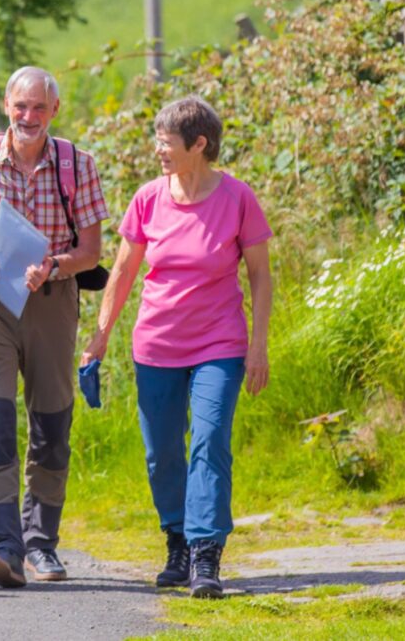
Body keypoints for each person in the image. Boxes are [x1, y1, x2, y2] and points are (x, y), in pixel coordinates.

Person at [83, 94, 272, 600]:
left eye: (166, 143)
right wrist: (101, 334)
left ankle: (206, 551)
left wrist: (258, 346)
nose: (159, 150)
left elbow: (260, 275)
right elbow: (123, 271)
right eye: (158, 140)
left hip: (219, 343)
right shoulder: (148, 198)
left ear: (199, 144)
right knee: (161, 451)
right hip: (157, 344)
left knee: (210, 441)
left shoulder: (237, 198)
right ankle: (177, 542)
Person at [0, 66, 107, 589]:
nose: (28, 117)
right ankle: (3, 547)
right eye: (20, 106)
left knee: (51, 424)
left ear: (54, 110)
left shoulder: (77, 164)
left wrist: (54, 266)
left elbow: (91, 252)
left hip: (52, 302)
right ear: (7, 106)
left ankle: (41, 543)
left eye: (38, 108)